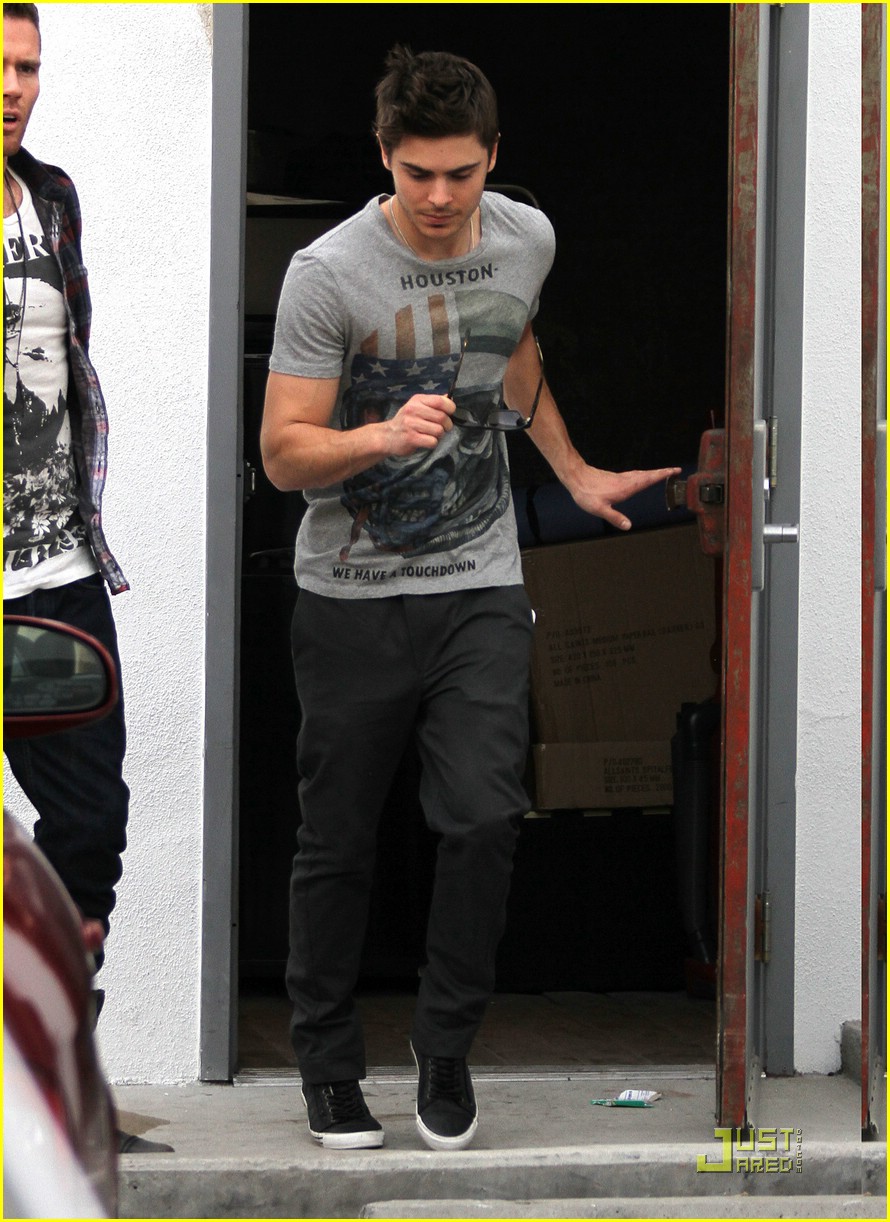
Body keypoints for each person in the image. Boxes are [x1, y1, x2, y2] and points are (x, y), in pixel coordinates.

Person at [262, 44, 679, 1153]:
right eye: (418, 174)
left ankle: (443, 1046)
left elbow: (512, 343)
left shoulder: (524, 239)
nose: (441, 197)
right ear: (383, 157)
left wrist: (572, 471)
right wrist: (377, 435)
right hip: (350, 595)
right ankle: (328, 1067)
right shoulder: (326, 273)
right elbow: (283, 454)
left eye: (461, 173)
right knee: (338, 841)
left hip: (479, 580)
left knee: (487, 815)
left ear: (494, 157)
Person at [2, 2, 170, 1155]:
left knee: (89, 822)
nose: (16, 86)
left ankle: (51, 1083)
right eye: (1, 66)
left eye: (28, 67)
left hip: (55, 568)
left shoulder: (50, 196)